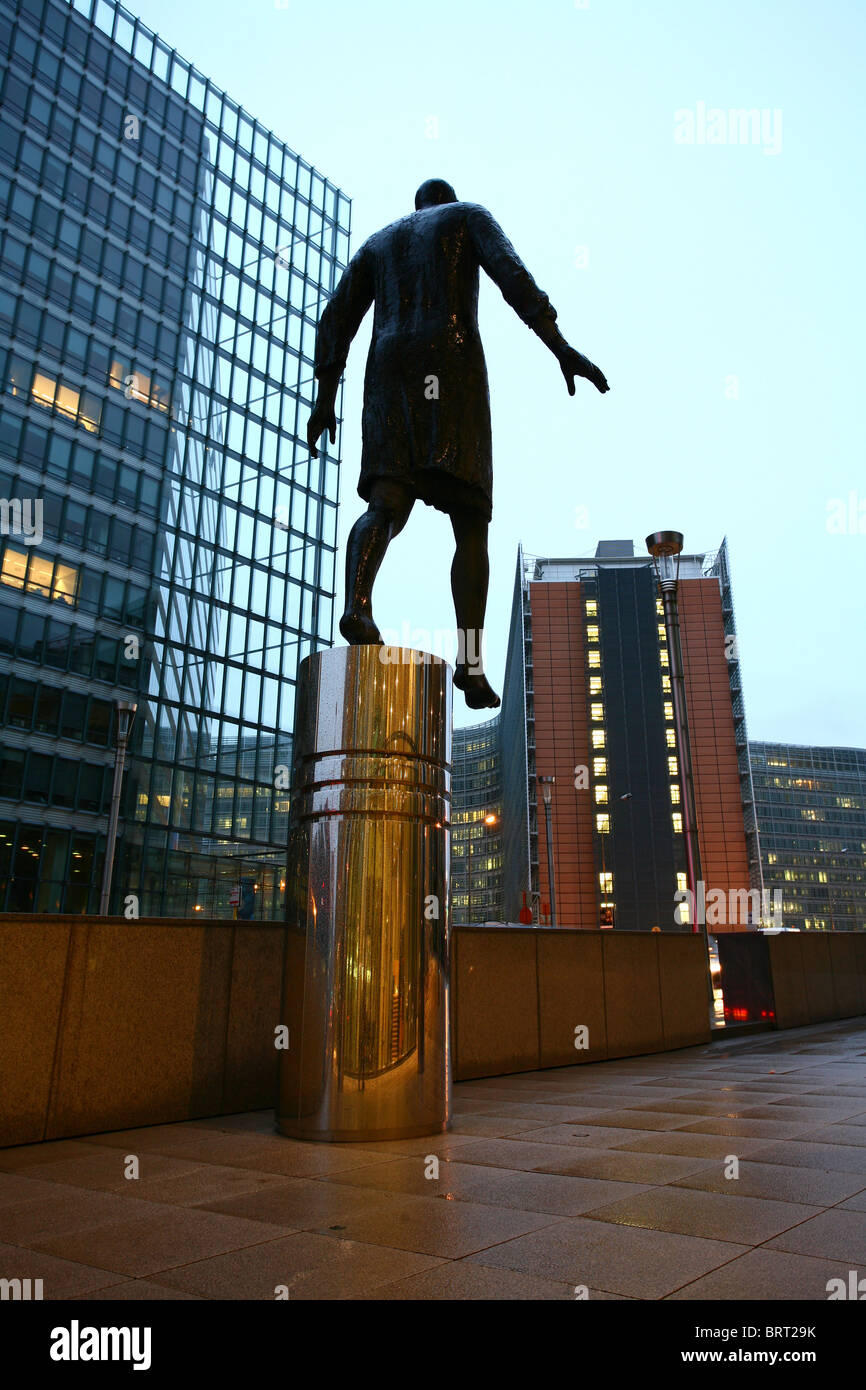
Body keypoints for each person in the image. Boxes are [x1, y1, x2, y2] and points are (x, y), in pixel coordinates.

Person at [307, 178, 609, 708]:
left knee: (386, 503)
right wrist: (560, 347)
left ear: (416, 205)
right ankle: (470, 666)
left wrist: (325, 397)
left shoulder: (378, 244)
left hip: (390, 368)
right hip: (451, 364)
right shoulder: (467, 215)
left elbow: (336, 318)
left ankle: (358, 603)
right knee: (470, 524)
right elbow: (513, 277)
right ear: (446, 199)